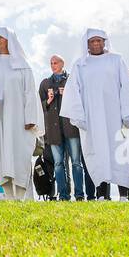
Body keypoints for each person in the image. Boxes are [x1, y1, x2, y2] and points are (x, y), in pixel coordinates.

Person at [60, 29, 129, 201]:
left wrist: (128, 112)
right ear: (87, 44)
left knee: (120, 152)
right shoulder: (80, 65)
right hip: (93, 118)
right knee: (98, 153)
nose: (96, 44)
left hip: (116, 116)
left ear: (105, 42)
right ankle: (102, 195)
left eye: (99, 40)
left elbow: (127, 86)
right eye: (93, 41)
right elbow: (73, 91)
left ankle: (123, 195)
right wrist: (78, 115)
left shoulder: (116, 60)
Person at [0, 28, 42, 200]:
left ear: (9, 40)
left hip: (20, 119)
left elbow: (30, 93)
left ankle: (20, 195)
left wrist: (31, 118)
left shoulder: (23, 66)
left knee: (20, 153)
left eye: (0, 37)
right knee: (0, 152)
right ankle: (8, 195)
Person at [40, 56, 85, 201]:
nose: (53, 65)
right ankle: (63, 195)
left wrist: (68, 96)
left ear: (63, 63)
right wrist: (48, 100)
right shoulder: (45, 83)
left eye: (56, 62)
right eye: (51, 63)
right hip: (54, 131)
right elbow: (39, 107)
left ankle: (79, 195)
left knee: (76, 163)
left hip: (71, 128)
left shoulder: (72, 80)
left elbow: (81, 101)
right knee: (59, 164)